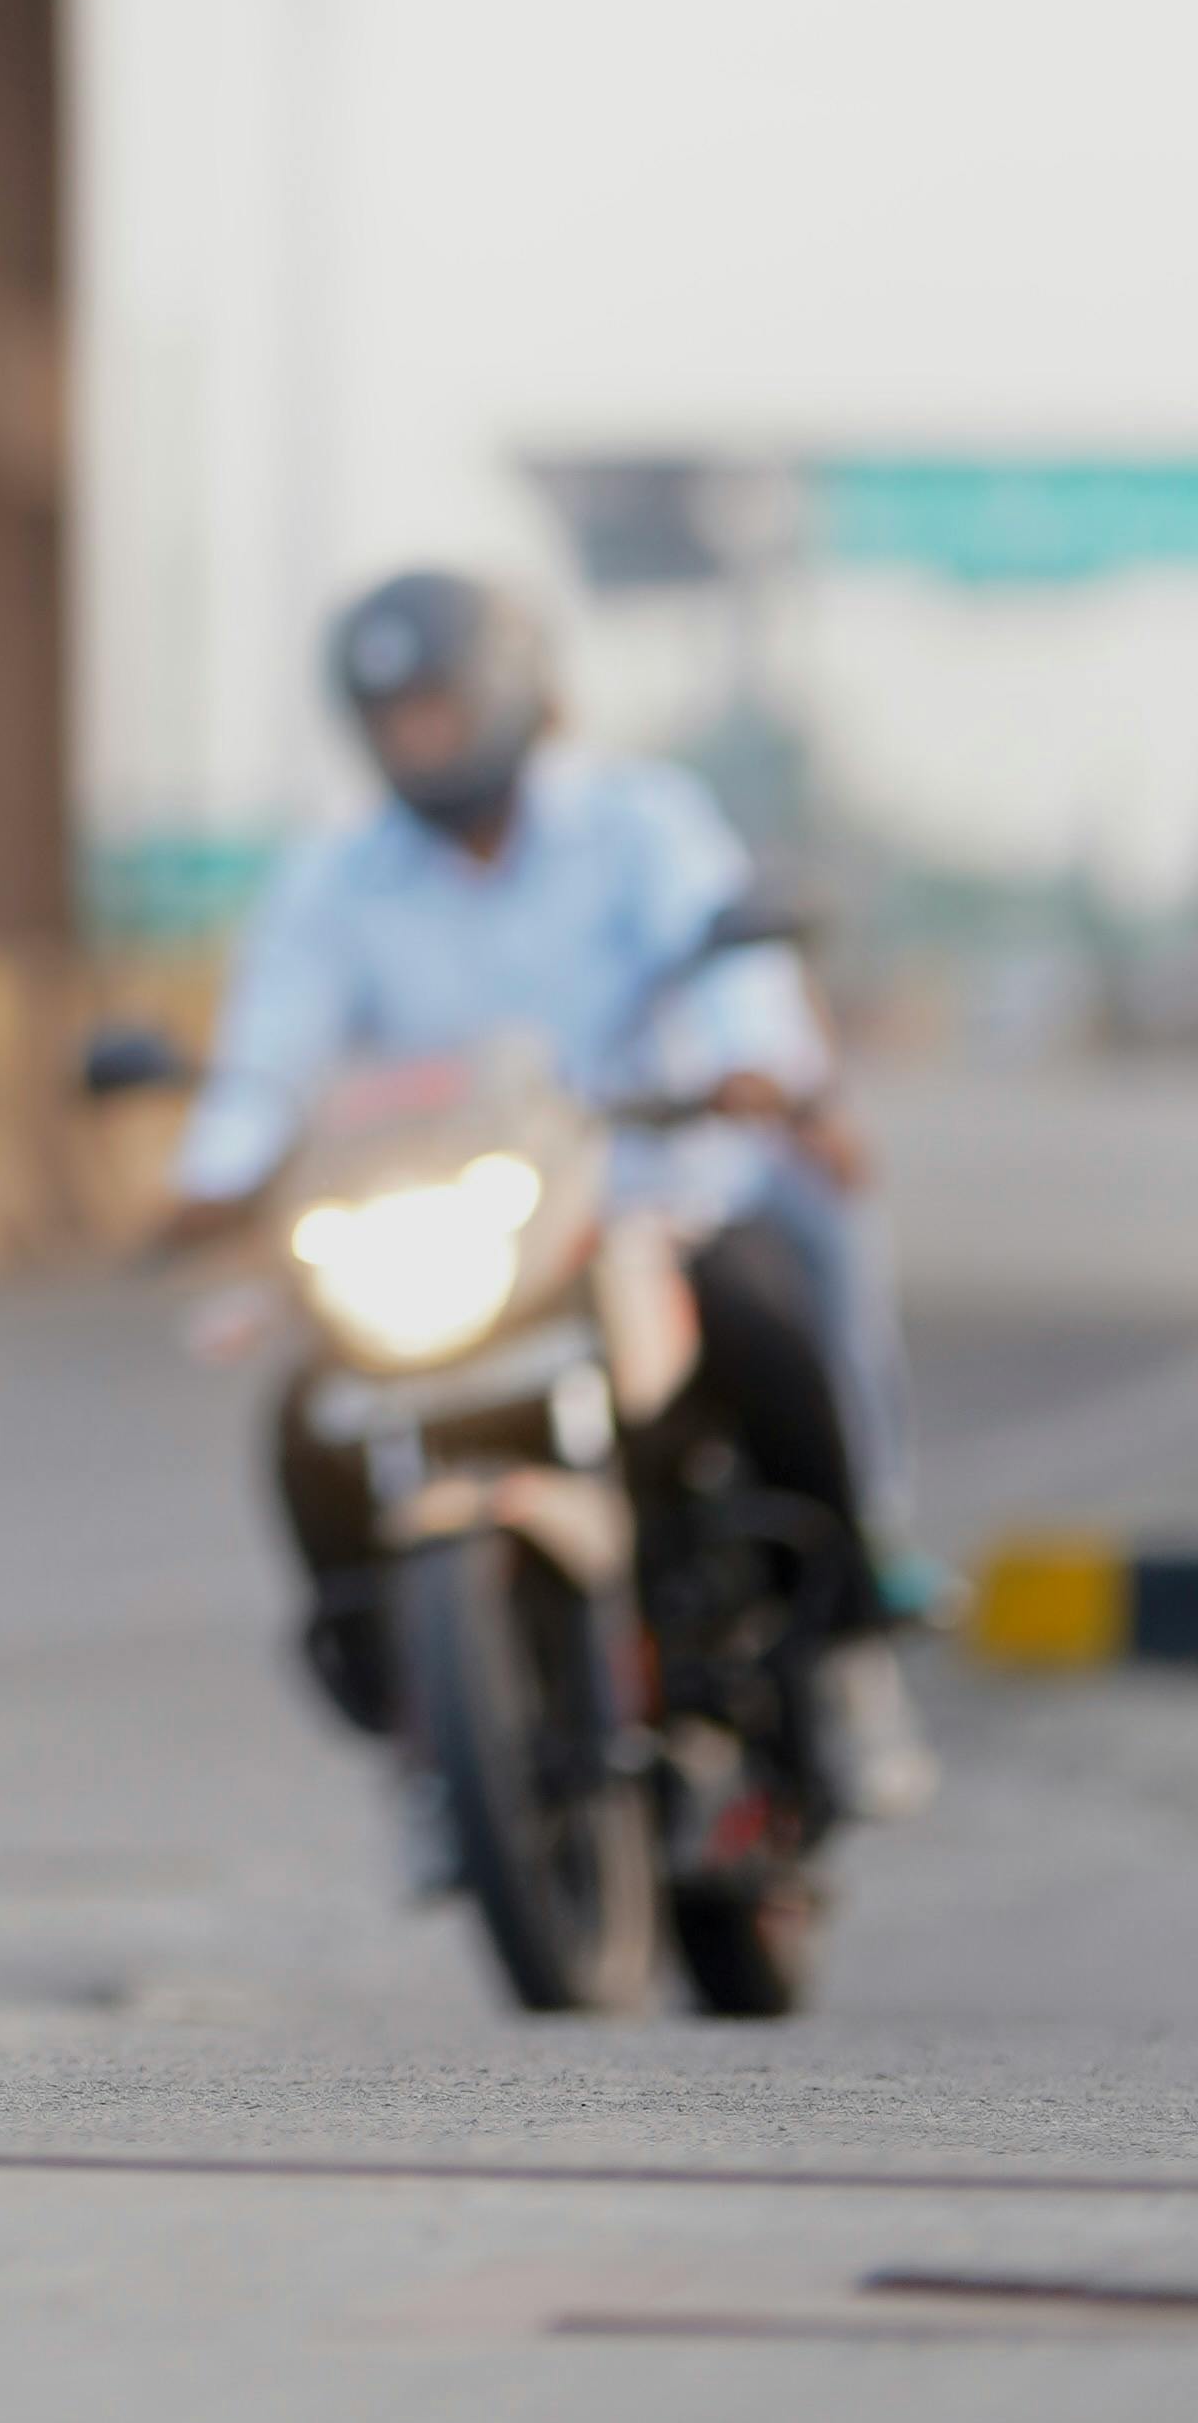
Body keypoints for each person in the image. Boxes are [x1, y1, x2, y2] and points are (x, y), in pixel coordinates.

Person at [161, 565, 936, 1826]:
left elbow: (726, 956)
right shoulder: (336, 880)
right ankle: (424, 1723)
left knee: (766, 1319)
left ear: (509, 697)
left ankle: (848, 1651)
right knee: (306, 1420)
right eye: (394, 717)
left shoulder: (637, 823)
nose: (420, 738)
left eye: (438, 708)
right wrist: (209, 1178)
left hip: (644, 1200)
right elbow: (269, 1047)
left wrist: (758, 1067)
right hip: (455, 1230)